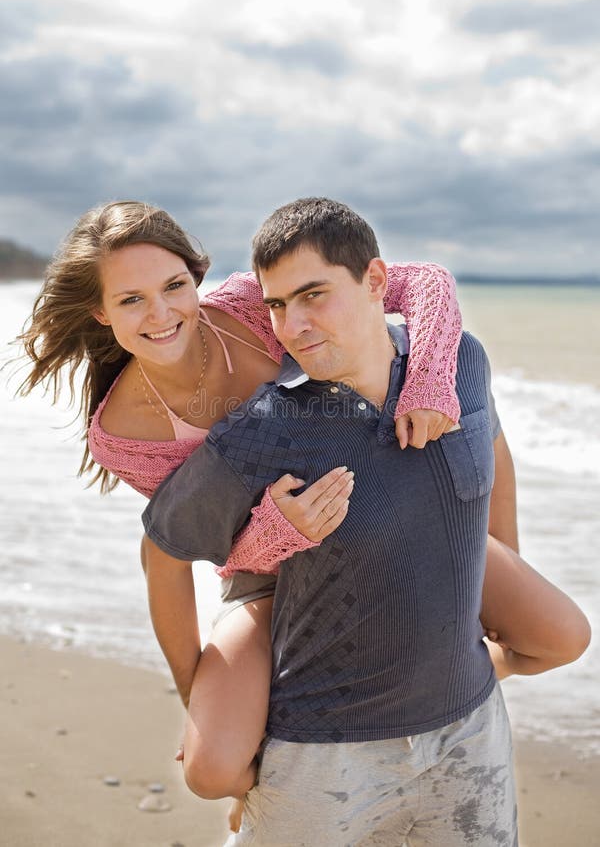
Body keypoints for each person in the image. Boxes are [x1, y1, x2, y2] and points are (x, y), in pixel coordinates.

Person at [141, 197, 590, 845]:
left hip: (469, 733)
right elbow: (165, 546)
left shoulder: (459, 363)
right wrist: (197, 701)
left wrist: (493, 592)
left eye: (313, 295)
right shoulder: (265, 431)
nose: (292, 325)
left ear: (376, 283)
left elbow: (496, 458)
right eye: (276, 305)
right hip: (326, 754)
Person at [17, 200, 473, 828]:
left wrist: (427, 381)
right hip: (267, 576)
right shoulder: (123, 434)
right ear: (100, 313)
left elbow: (422, 282)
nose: (162, 314)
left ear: (196, 278)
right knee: (213, 771)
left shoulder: (248, 307)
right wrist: (273, 537)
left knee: (557, 636)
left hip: (379, 513)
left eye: (175, 286)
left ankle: (474, 668)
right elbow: (200, 539)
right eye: (130, 301)